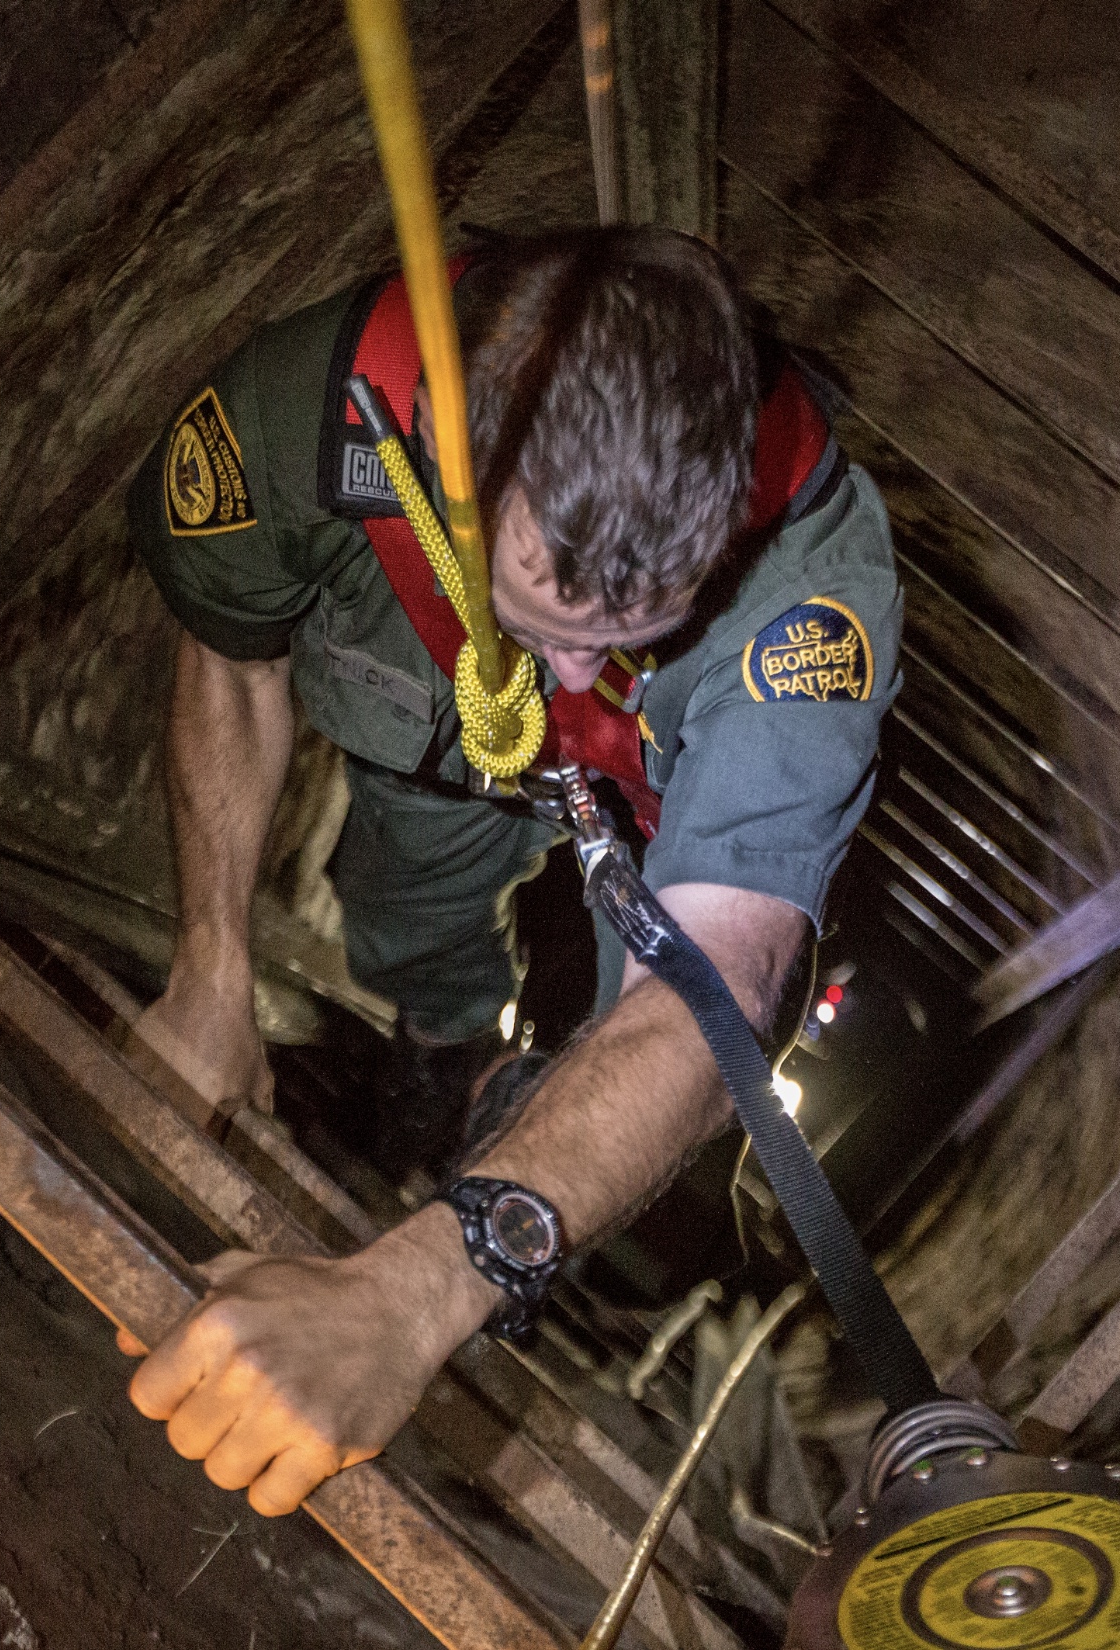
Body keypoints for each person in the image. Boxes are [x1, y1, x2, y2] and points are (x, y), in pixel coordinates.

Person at [118, 226, 901, 1515]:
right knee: (405, 908)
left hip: (665, 816)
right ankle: (445, 1057)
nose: (575, 683)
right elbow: (232, 652)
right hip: (440, 760)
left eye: (635, 636)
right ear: (451, 471)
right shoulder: (320, 414)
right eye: (547, 630)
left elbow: (712, 992)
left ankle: (531, 1171)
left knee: (629, 1065)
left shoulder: (807, 598)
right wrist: (212, 976)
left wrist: (418, 1290)